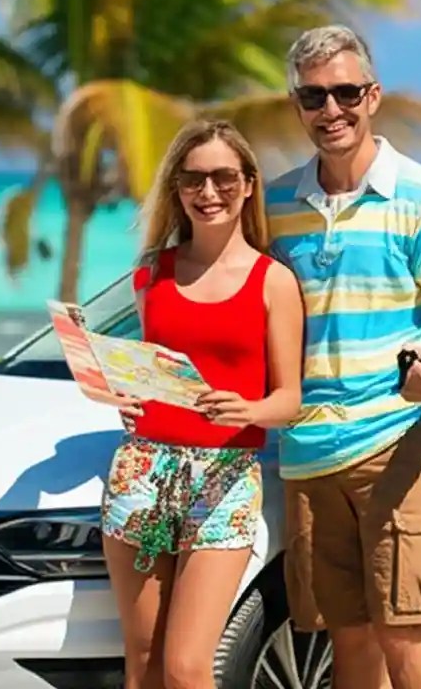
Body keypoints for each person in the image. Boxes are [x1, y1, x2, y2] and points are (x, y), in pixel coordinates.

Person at [265, 25, 421, 689]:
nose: (330, 111)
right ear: (297, 105)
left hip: (396, 444)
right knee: (349, 640)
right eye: (313, 98)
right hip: (306, 453)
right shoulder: (275, 204)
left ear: (374, 96)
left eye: (344, 94)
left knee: (405, 633)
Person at [87, 119, 305, 689]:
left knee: (186, 669)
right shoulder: (149, 273)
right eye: (193, 180)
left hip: (224, 481)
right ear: (177, 189)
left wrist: (249, 409)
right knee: (143, 664)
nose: (208, 193)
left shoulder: (272, 281)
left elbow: (289, 399)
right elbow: (138, 370)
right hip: (143, 472)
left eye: (224, 179)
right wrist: (119, 396)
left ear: (249, 185)